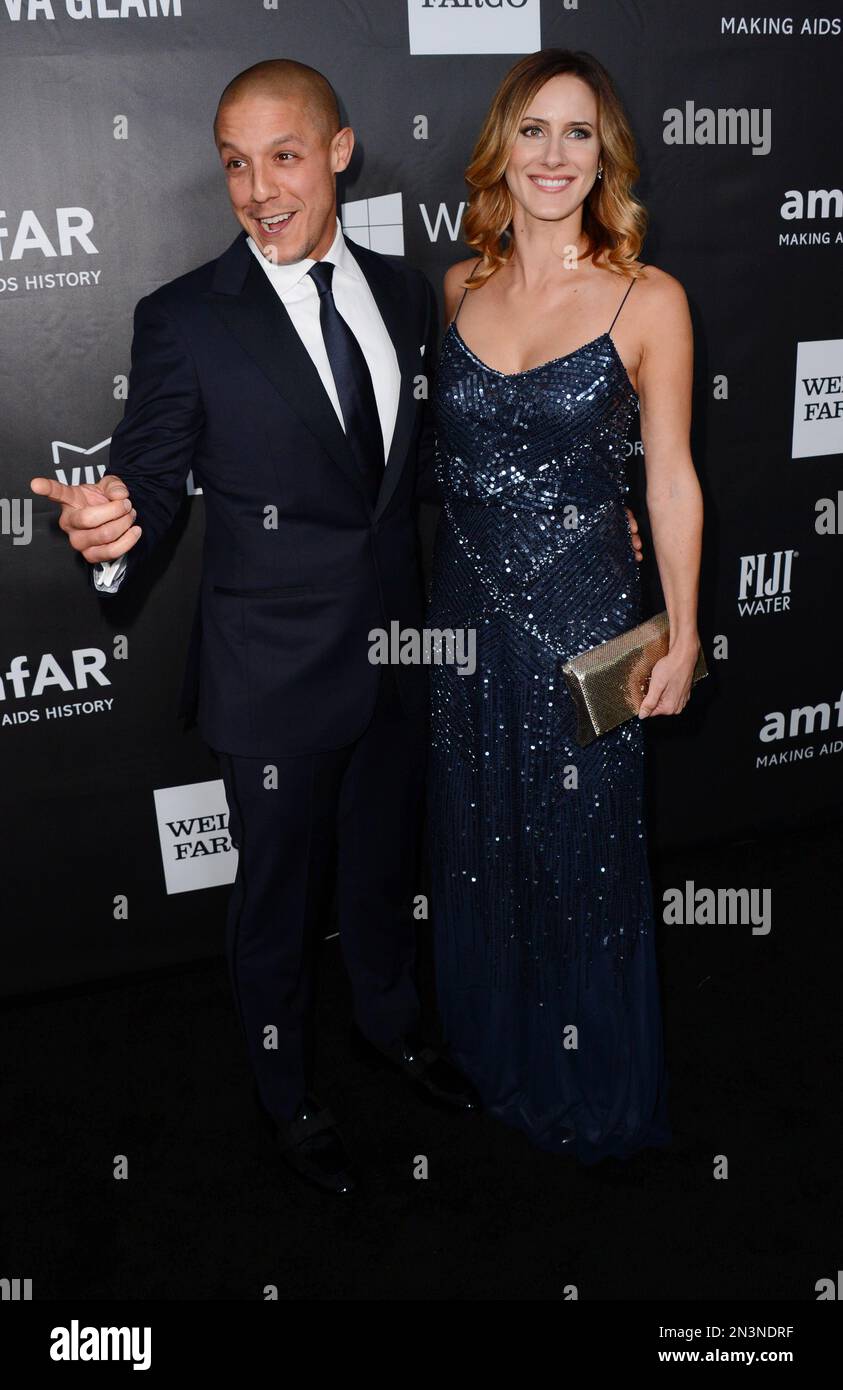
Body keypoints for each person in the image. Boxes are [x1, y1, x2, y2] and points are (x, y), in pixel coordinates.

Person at [29, 58, 487, 1198]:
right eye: (235, 164)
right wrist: (114, 525)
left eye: (284, 156)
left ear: (339, 152)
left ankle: (392, 1025)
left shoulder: (405, 293)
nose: (258, 190)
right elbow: (150, 472)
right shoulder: (186, 317)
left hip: (400, 655)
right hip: (273, 674)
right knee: (277, 904)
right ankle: (286, 1098)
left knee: (381, 869)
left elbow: (417, 467)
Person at [426, 49, 703, 1165]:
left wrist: (684, 630)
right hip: (465, 621)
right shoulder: (456, 287)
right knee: (481, 842)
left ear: (604, 157)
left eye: (577, 132)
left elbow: (669, 478)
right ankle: (495, 1053)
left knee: (582, 856)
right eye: (533, 130)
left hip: (587, 628)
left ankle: (590, 1086)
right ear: (502, 149)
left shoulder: (649, 298)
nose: (553, 154)